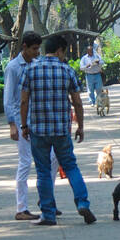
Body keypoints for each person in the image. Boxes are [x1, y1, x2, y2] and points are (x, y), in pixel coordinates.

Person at [20, 33, 96, 225]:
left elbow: (24, 101)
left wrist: (24, 125)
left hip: (39, 130)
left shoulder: (30, 69)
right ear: (60, 50)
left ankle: (48, 214)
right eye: (64, 52)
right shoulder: (67, 70)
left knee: (43, 171)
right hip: (62, 129)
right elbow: (77, 102)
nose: (64, 56)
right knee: (71, 167)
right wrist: (80, 126)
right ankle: (82, 203)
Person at [4, 31, 57, 220]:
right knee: (25, 162)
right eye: (34, 49)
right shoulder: (13, 67)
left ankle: (46, 201)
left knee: (53, 159)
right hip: (21, 121)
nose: (37, 52)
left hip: (39, 120)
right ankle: (21, 208)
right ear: (24, 47)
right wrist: (12, 124)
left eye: (38, 49)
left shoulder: (37, 64)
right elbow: (8, 98)